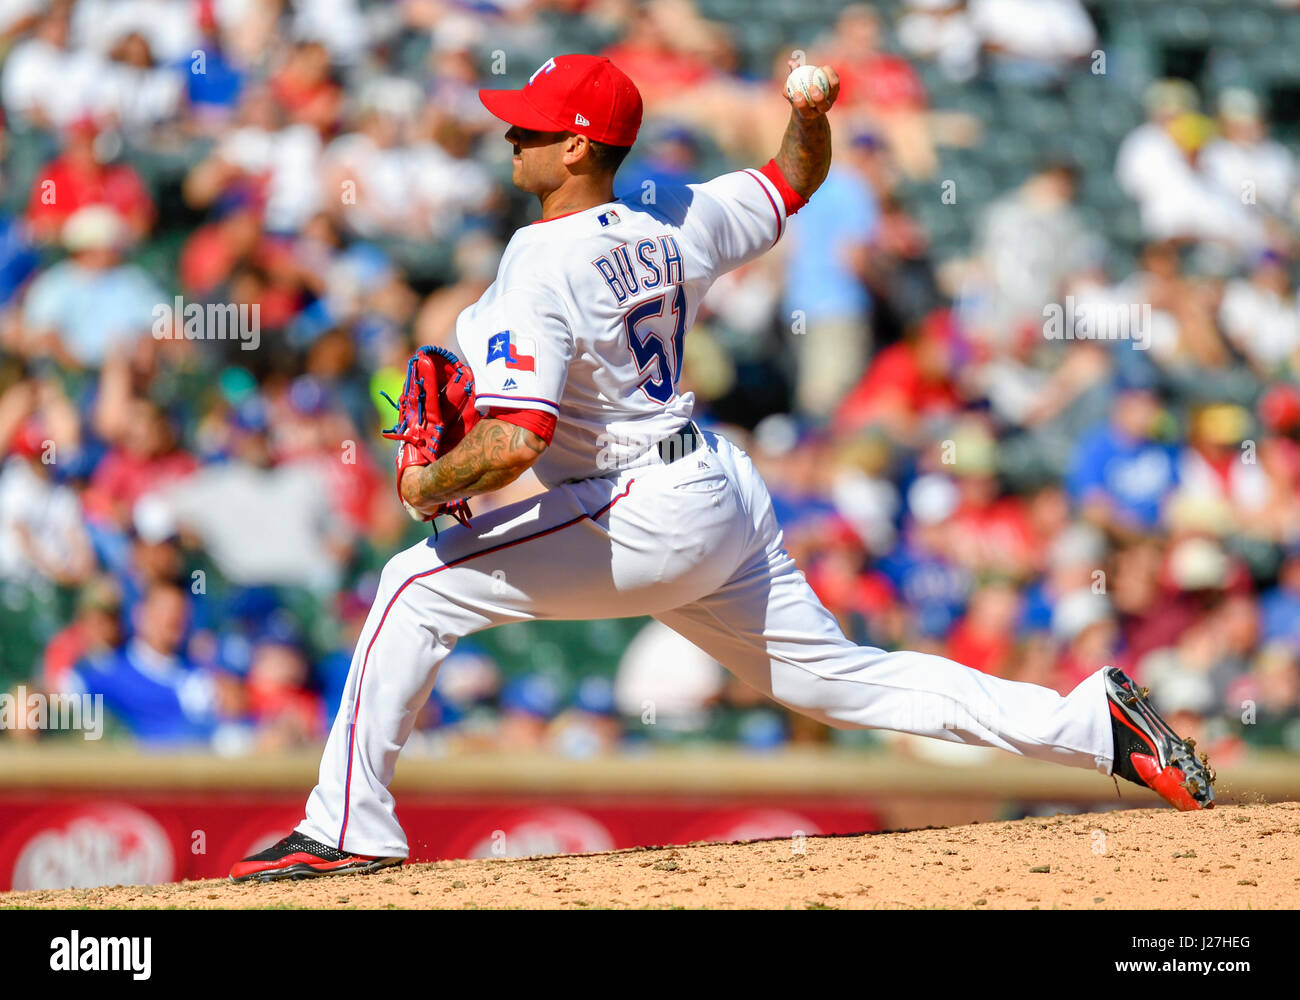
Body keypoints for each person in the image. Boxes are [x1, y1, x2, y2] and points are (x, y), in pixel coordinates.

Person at [231, 53, 1215, 884]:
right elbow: (792, 180)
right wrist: (809, 114)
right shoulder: (671, 225)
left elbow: (519, 437)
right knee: (842, 682)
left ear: (575, 147)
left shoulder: (540, 260)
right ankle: (1092, 726)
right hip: (714, 489)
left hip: (641, 506)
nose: (510, 142)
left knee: (410, 584)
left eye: (527, 129)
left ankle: (351, 827)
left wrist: (424, 484)